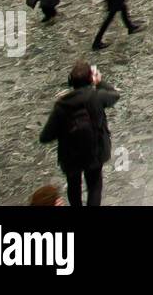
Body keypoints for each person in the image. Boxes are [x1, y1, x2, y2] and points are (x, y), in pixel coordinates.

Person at [38, 61, 119, 206]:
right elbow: (114, 95)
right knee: (94, 185)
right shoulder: (96, 97)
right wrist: (100, 82)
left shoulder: (61, 105)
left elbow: (45, 137)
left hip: (71, 157)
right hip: (94, 152)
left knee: (73, 185)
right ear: (90, 79)